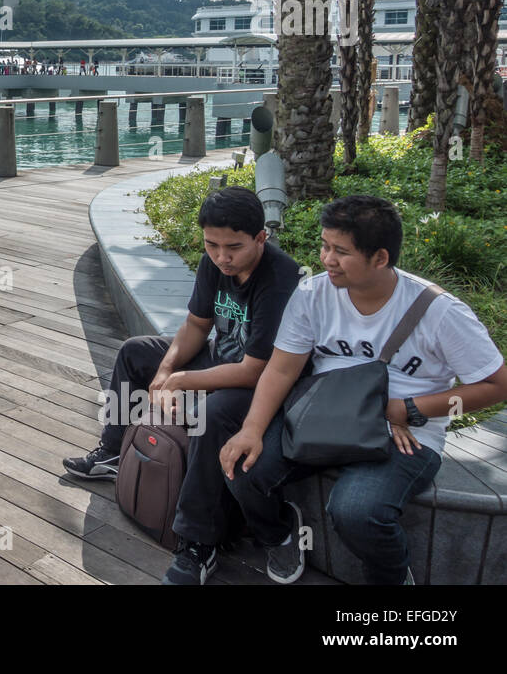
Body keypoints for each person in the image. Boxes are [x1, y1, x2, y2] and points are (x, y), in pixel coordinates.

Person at [221, 195, 507, 585]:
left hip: (403, 434)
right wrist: (252, 429)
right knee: (242, 468)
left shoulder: (441, 312)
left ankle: (390, 577)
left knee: (357, 511)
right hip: (323, 415)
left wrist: (411, 409)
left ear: (381, 258)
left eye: (341, 251)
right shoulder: (312, 294)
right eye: (324, 246)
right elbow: (281, 368)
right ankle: (281, 535)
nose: (327, 259)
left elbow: (496, 386)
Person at [63, 187, 302, 584]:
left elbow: (255, 369)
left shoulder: (281, 278)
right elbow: (196, 325)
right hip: (220, 360)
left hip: (255, 383)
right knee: (135, 352)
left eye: (234, 247)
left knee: (210, 416)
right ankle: (111, 452)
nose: (222, 257)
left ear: (261, 238)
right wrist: (165, 369)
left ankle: (197, 544)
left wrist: (181, 379)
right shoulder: (216, 265)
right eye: (212, 245)